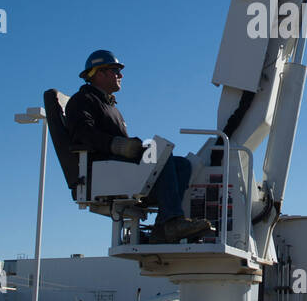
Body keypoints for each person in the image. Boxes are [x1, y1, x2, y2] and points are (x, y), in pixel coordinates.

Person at [65, 50, 212, 244]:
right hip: (101, 168)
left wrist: (131, 147)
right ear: (99, 73)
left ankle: (164, 225)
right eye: (115, 70)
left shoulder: (109, 106)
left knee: (182, 165)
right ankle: (171, 222)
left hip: (115, 166)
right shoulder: (82, 101)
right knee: (160, 155)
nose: (121, 75)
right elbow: (84, 134)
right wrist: (119, 146)